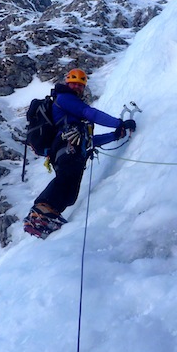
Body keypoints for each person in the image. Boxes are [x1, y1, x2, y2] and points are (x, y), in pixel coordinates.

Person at [24, 68, 136, 238]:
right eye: (73, 83)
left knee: (70, 193)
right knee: (65, 178)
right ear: (67, 83)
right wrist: (118, 123)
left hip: (70, 148)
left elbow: (88, 141)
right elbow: (90, 113)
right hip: (67, 146)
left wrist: (113, 136)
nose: (76, 87)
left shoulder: (73, 116)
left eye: (80, 85)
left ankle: (48, 217)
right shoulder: (65, 98)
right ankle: (40, 210)